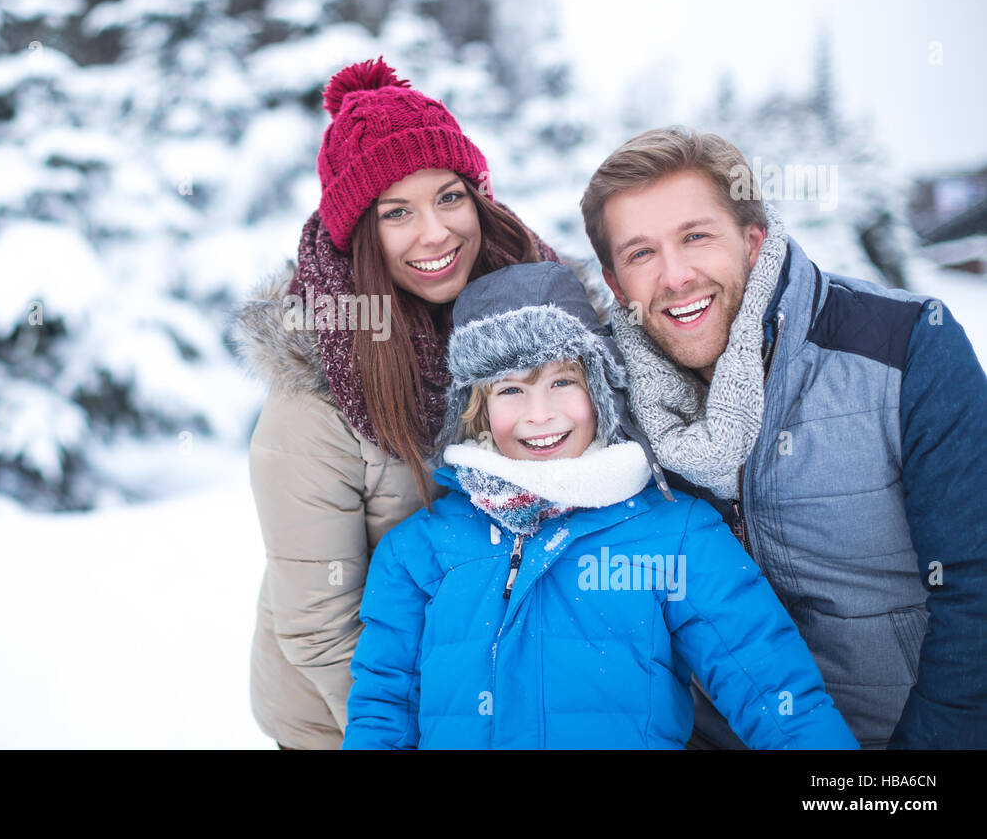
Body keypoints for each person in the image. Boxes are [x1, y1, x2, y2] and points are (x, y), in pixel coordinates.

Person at [580, 125, 987, 749]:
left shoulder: (906, 347)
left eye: (696, 237)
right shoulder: (603, 398)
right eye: (640, 254)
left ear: (752, 240)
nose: (676, 276)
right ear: (614, 284)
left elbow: (974, 589)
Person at [343, 261, 858, 748]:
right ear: (476, 407)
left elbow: (777, 697)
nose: (539, 415)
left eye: (563, 382)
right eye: (510, 390)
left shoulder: (676, 536)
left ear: (601, 391)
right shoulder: (417, 552)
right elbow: (382, 714)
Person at [230, 57, 560, 749]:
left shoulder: (544, 314)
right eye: (396, 212)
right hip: (349, 715)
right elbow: (321, 625)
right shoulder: (313, 404)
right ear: (359, 237)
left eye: (449, 197)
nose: (435, 233)